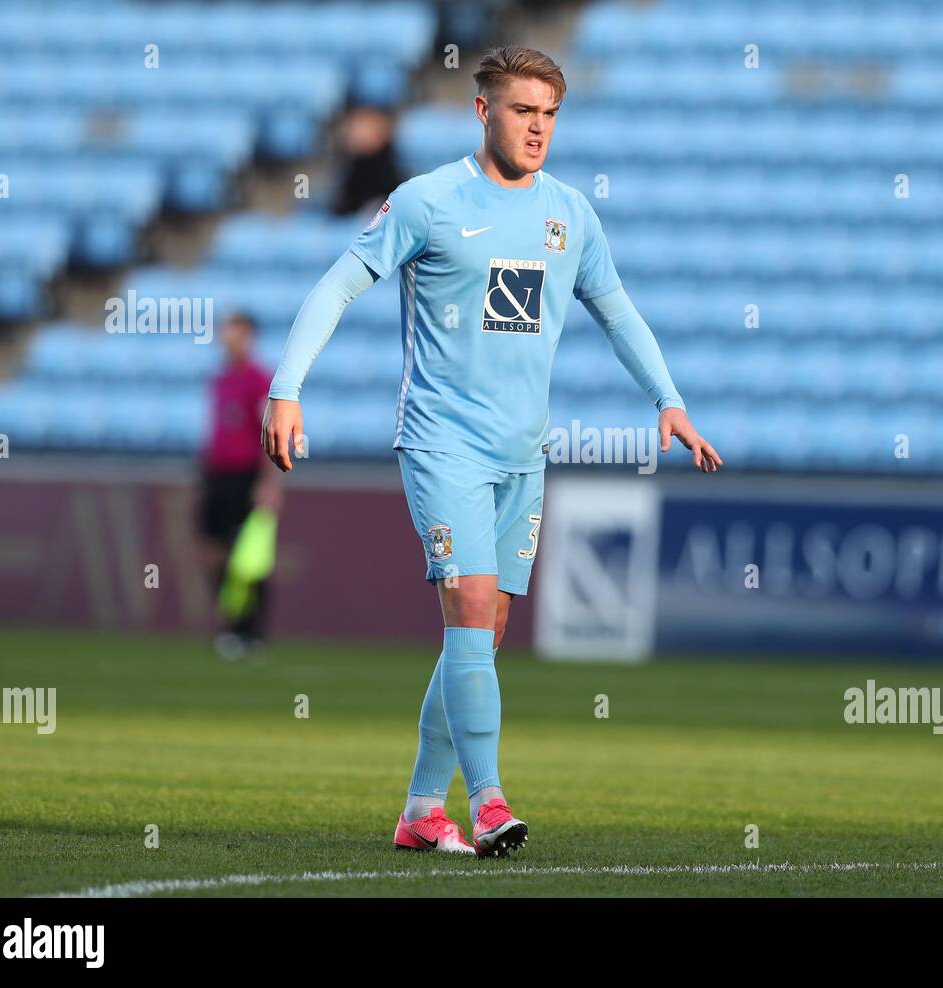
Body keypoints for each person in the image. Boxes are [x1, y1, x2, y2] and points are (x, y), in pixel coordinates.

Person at [262, 47, 721, 857]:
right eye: (522, 111)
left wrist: (669, 400)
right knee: (471, 614)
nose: (538, 128)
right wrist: (286, 388)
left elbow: (615, 307)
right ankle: (489, 802)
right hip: (442, 444)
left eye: (550, 115)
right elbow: (339, 282)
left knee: (483, 633)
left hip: (523, 455)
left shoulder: (571, 214)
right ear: (484, 111)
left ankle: (417, 809)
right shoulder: (428, 201)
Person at [199, 312, 282, 660]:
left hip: (245, 478)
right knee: (213, 553)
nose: (227, 336)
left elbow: (268, 434)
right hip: (216, 476)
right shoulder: (219, 380)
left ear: (248, 336)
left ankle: (250, 632)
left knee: (248, 560)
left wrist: (269, 482)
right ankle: (231, 624)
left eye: (235, 331)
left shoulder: (259, 380)